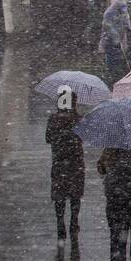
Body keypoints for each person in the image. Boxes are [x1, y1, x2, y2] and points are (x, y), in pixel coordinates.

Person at [44, 95, 84, 240]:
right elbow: (83, 137)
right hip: (76, 162)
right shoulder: (78, 119)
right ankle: (74, 222)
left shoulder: (53, 119)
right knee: (75, 194)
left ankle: (60, 222)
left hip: (59, 161)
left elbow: (48, 139)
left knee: (59, 194)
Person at [98, 0, 131, 80]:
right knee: (112, 60)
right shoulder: (109, 13)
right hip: (109, 40)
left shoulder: (123, 11)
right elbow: (107, 26)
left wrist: (128, 27)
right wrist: (116, 38)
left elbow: (126, 20)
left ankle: (120, 74)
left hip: (120, 38)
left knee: (122, 57)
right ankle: (112, 75)